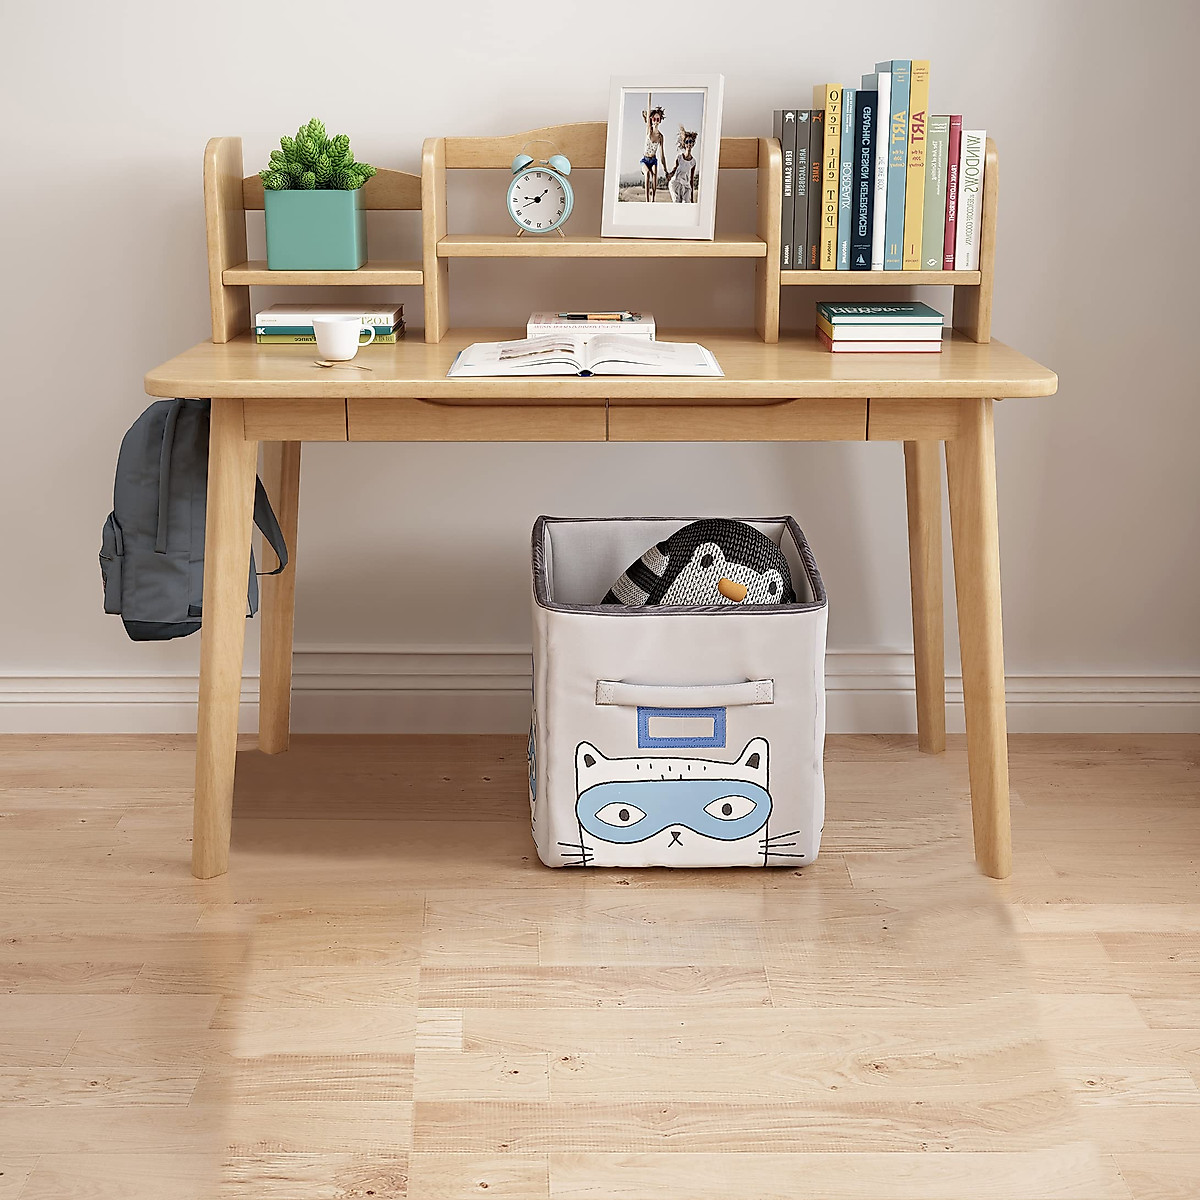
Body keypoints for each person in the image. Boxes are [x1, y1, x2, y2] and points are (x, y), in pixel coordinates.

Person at [639, 103, 666, 201]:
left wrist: (665, 169)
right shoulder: (648, 130)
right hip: (645, 160)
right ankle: (647, 200)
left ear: (660, 121)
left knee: (655, 175)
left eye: (658, 119)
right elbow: (646, 113)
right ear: (651, 119)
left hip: (653, 160)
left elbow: (662, 154)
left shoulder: (660, 137)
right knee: (647, 175)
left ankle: (653, 200)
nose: (656, 121)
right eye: (654, 119)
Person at [667, 126, 699, 203]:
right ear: (684, 144)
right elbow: (674, 170)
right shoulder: (679, 158)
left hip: (686, 186)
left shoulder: (693, 162)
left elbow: (691, 180)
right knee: (677, 203)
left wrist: (692, 198)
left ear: (693, 144)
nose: (689, 144)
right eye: (687, 142)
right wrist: (670, 174)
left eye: (690, 142)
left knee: (686, 204)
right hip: (675, 184)